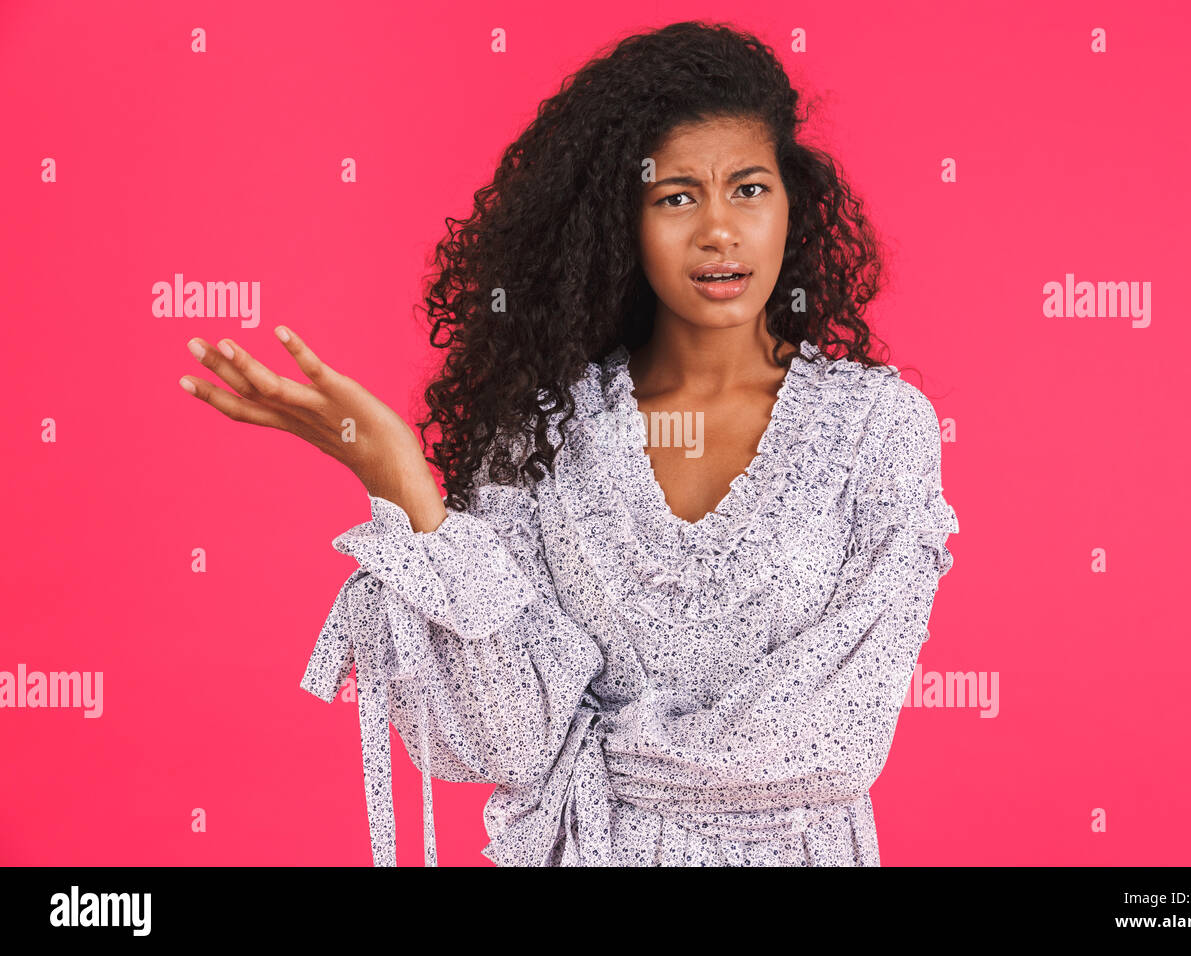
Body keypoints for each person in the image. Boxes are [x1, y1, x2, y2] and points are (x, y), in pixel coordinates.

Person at [178, 20, 958, 866]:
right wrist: (402, 484)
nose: (719, 231)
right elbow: (506, 741)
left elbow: (836, 742)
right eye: (676, 196)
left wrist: (582, 751)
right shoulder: (539, 434)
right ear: (620, 221)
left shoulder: (877, 429)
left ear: (792, 203)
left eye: (748, 189)